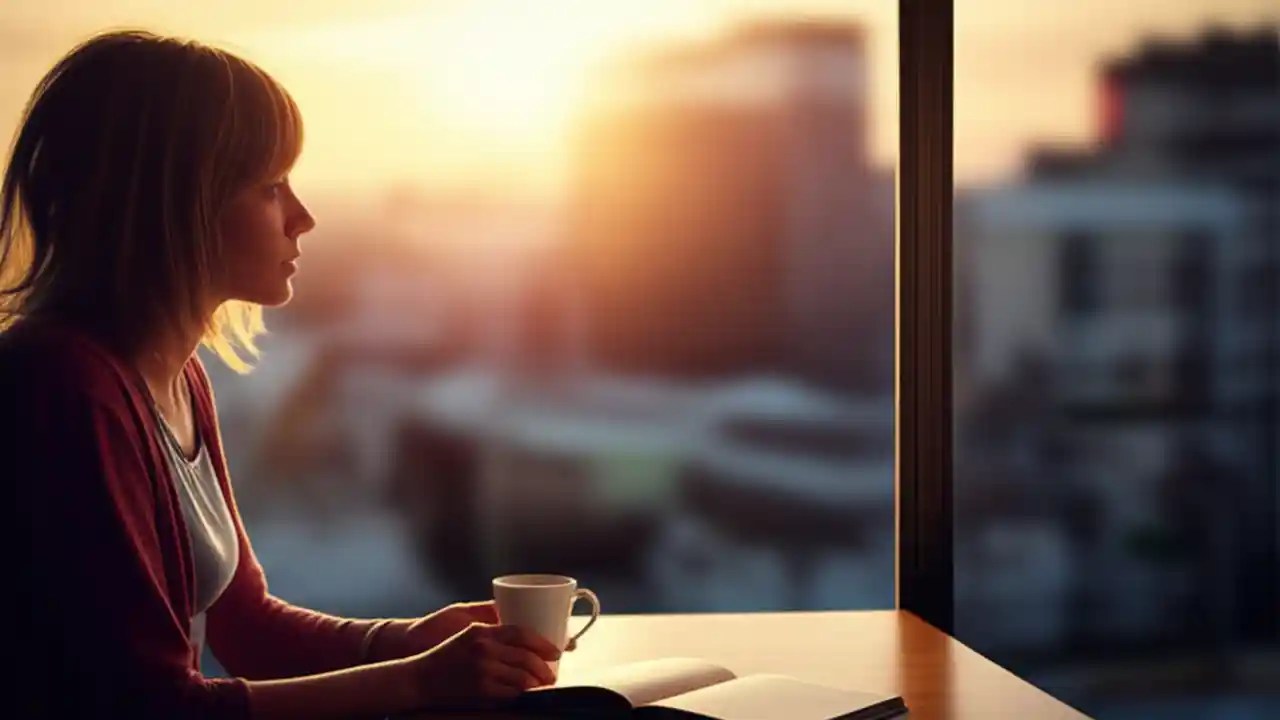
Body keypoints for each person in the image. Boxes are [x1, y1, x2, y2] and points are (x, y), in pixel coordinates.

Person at [0, 29, 559, 719]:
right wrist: (418, 682)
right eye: (270, 188)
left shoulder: (175, 378)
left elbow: (247, 626)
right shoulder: (66, 384)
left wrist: (408, 640)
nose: (304, 217)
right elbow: (147, 707)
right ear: (177, 205)